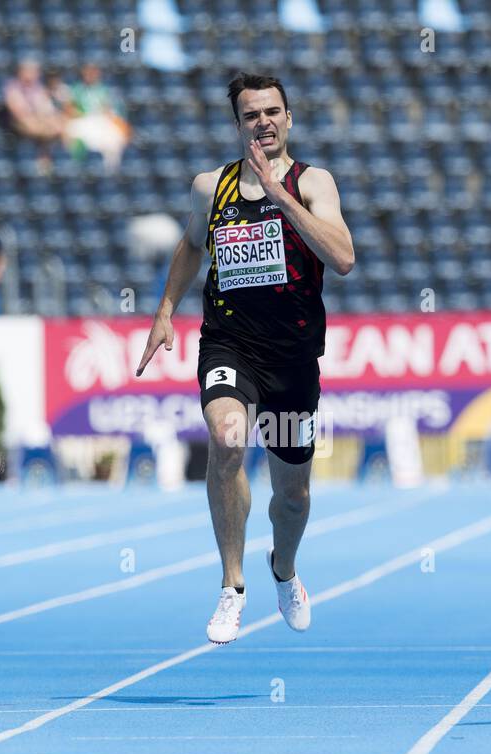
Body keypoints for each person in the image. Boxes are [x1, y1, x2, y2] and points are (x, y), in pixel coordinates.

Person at [136, 72, 354, 645]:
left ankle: (282, 568)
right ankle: (233, 586)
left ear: (289, 119)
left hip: (294, 360)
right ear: (238, 124)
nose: (263, 122)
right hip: (229, 343)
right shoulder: (212, 187)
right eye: (251, 114)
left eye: (272, 112)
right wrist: (164, 311)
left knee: (293, 495)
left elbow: (344, 256)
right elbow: (190, 244)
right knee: (228, 438)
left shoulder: (314, 184)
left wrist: (281, 197)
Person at [2, 58, 70, 173]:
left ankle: (60, 160)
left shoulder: (37, 87)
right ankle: (42, 161)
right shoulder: (13, 87)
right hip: (20, 122)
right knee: (38, 127)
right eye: (29, 71)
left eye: (34, 72)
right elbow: (19, 112)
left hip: (38, 120)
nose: (32, 75)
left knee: (61, 126)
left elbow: (43, 108)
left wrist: (50, 121)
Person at [67, 63, 131, 172]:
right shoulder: (76, 89)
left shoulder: (104, 90)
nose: (90, 74)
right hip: (82, 120)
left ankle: (111, 170)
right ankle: (79, 168)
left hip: (100, 121)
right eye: (88, 71)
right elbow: (70, 108)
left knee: (113, 138)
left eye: (93, 71)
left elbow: (108, 109)